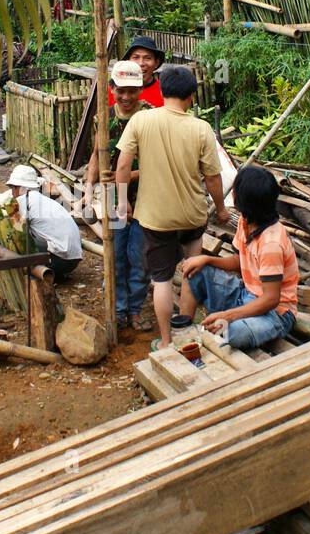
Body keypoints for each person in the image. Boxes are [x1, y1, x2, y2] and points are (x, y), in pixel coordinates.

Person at [115, 65, 229, 348]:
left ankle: (166, 341)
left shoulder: (141, 121)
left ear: (161, 91)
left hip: (156, 219)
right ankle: (186, 328)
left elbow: (123, 165)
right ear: (191, 96)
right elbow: (213, 177)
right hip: (192, 215)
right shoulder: (201, 128)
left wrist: (121, 202)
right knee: (190, 269)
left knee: (162, 280)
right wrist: (221, 208)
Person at [176, 166, 298, 350]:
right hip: (246, 295)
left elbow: (271, 299)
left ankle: (214, 335)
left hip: (275, 313)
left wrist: (229, 315)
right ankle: (186, 336)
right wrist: (206, 260)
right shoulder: (246, 221)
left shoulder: (271, 243)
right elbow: (239, 262)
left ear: (240, 200)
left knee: (232, 332)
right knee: (193, 272)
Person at [84, 60, 152, 330]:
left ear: (141, 89)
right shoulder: (103, 118)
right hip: (114, 198)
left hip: (145, 198)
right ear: (111, 88)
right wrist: (89, 190)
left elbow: (155, 164)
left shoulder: (149, 116)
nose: (126, 97)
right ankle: (119, 310)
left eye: (132, 91)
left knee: (139, 257)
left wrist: (128, 176)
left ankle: (135, 311)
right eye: (120, 90)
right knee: (116, 256)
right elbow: (95, 155)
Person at [7, 164, 82, 279]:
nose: (12, 192)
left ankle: (39, 272)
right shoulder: (45, 200)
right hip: (74, 260)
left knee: (15, 238)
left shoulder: (23, 201)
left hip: (59, 261)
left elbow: (16, 230)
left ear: (17, 187)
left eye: (12, 188)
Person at [109, 36, 165, 108]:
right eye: (136, 57)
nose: (141, 63)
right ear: (128, 60)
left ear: (156, 63)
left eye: (147, 58)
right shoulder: (113, 90)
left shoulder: (165, 93)